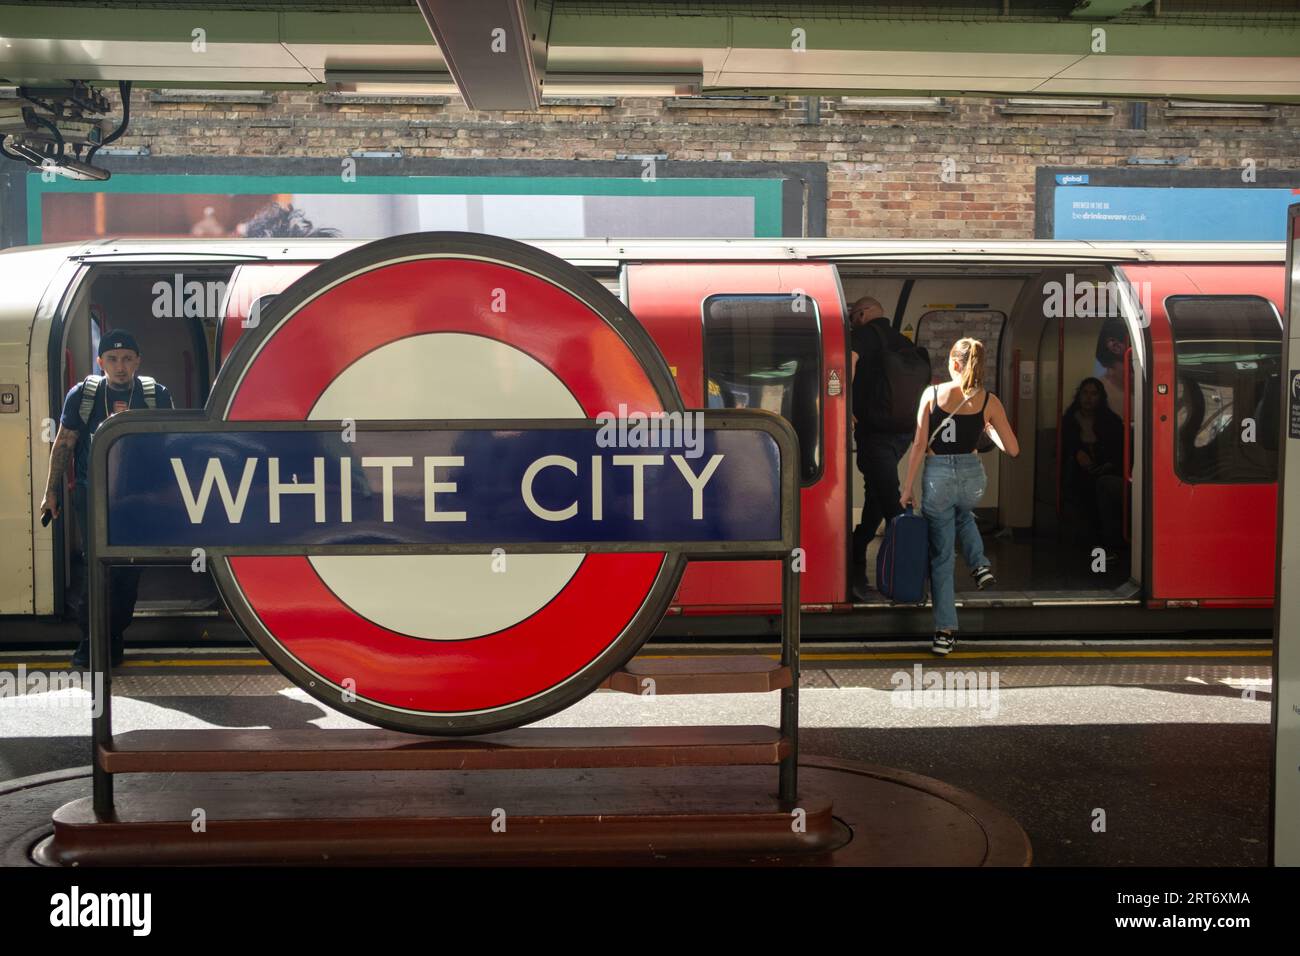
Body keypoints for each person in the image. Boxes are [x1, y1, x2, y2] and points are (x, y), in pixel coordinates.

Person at [39, 329, 174, 669]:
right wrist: (50, 491)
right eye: (112, 359)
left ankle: (114, 637)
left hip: (139, 497)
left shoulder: (155, 395)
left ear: (138, 361)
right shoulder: (83, 396)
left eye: (128, 358)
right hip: (93, 493)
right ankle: (91, 641)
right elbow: (65, 442)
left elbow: (170, 446)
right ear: (100, 362)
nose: (120, 366)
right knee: (95, 568)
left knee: (129, 570)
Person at [901, 337, 1019, 655]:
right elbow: (1013, 449)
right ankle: (979, 564)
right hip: (972, 478)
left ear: (954, 363)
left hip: (938, 475)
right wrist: (988, 426)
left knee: (941, 559)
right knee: (963, 511)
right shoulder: (989, 401)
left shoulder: (932, 394)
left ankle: (945, 633)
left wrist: (907, 486)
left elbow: (917, 446)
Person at [850, 295, 929, 589]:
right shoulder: (903, 341)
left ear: (862, 314)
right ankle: (858, 545)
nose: (852, 322)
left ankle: (910, 558)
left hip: (876, 429)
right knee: (877, 488)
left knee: (888, 494)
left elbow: (850, 360)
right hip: (904, 430)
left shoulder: (865, 335)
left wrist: (844, 404)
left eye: (853, 316)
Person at [1060, 377, 1125, 557]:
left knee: (1101, 485)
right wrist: (1077, 453)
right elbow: (1065, 447)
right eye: (1085, 393)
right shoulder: (1069, 420)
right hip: (1079, 469)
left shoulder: (1111, 421)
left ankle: (1104, 542)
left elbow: (1118, 450)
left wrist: (1106, 465)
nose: (1088, 398)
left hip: (1105, 467)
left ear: (1100, 397)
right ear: (1079, 395)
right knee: (1082, 483)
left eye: (1093, 394)